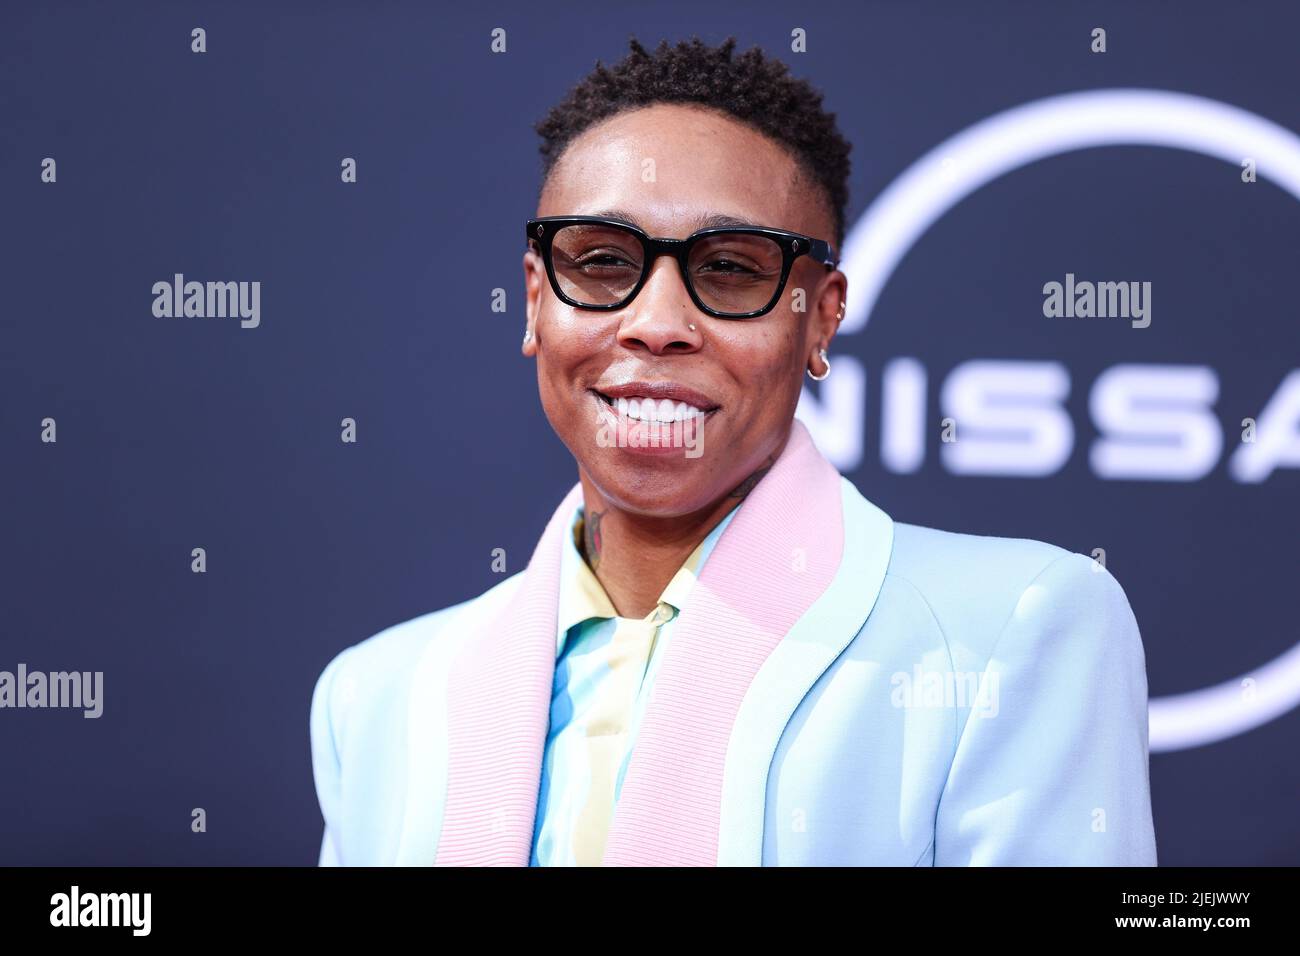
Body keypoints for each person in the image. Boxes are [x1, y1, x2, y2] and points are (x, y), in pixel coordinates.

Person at [309, 36, 1157, 866]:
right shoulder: (379, 695)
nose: (657, 324)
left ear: (821, 317)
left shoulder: (1011, 632)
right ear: (535, 301)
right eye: (602, 262)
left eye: (729, 270)